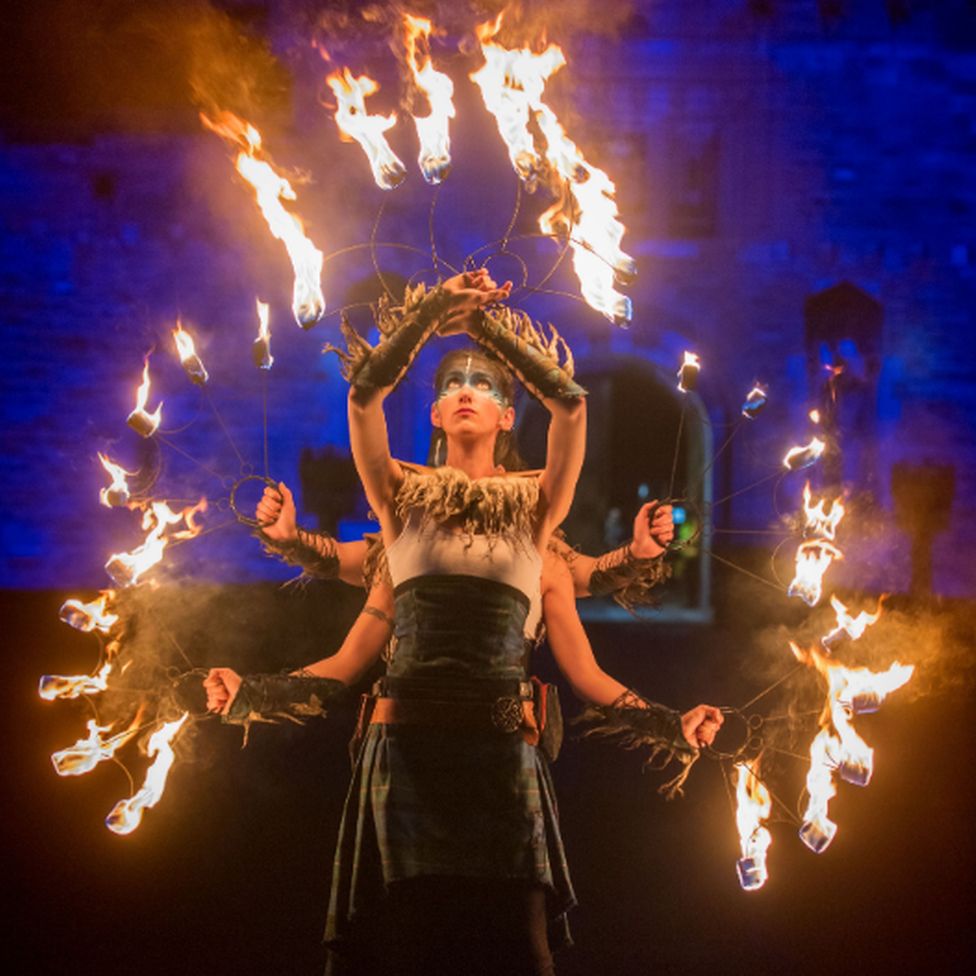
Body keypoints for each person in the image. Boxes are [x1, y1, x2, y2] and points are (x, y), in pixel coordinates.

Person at [205, 271, 722, 975]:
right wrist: (250, 692)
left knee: (517, 950)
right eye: (452, 386)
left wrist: (671, 723)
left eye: (485, 386)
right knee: (402, 949)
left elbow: (571, 408)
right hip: (404, 751)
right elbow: (363, 400)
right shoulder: (399, 504)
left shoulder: (540, 517)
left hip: (501, 761)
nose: (468, 391)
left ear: (509, 417)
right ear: (436, 415)